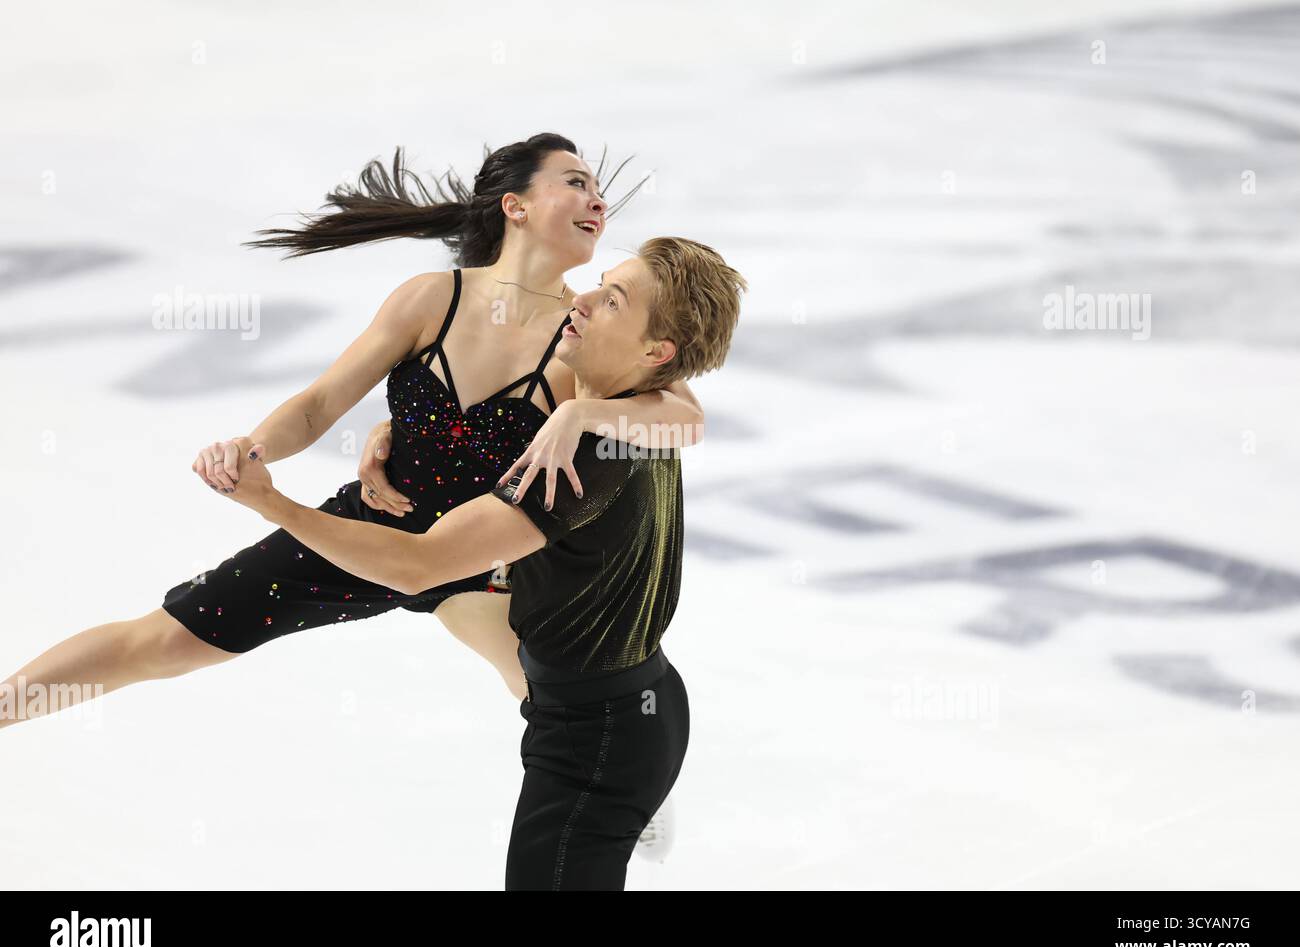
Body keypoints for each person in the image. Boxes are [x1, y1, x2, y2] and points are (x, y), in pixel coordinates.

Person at [0, 134, 705, 730]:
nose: (598, 201)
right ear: (514, 206)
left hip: (484, 567)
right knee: (158, 640)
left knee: (558, 707)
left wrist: (581, 411)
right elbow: (317, 404)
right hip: (369, 531)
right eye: (577, 182)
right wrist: (249, 452)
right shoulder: (431, 300)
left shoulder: (585, 331)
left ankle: (619, 798)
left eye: (598, 190)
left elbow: (683, 419)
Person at [219, 237, 747, 889]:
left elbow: (419, 565)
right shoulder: (638, 410)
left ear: (654, 352)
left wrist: (274, 503)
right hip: (620, 709)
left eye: (611, 300)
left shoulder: (577, 463)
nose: (577, 299)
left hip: (598, 740)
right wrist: (404, 433)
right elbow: (683, 413)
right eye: (601, 282)